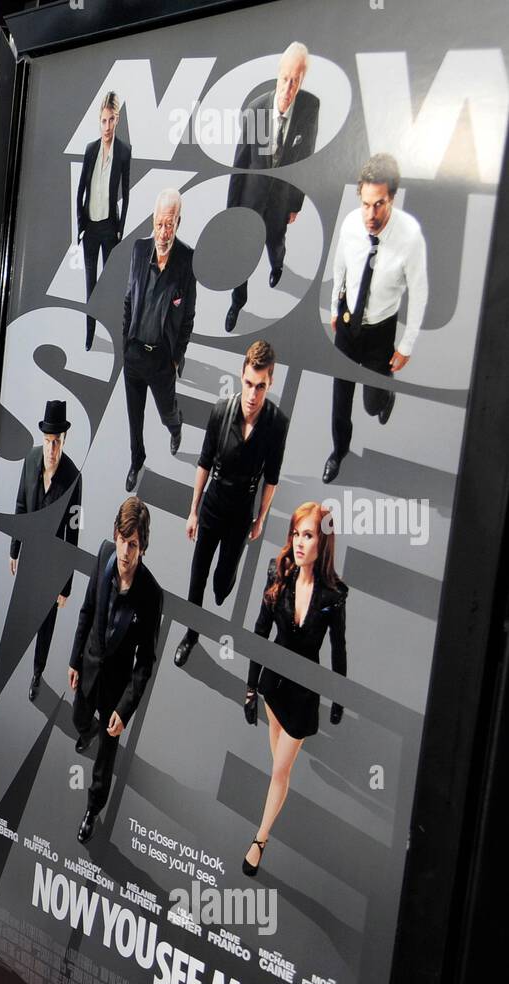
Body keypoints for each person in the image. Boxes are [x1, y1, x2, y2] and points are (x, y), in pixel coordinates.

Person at [243, 502, 348, 875]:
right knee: (279, 767)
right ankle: (276, 802)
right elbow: (259, 631)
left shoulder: (334, 595)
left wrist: (338, 697)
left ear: (323, 543)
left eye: (309, 535)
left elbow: (338, 646)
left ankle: (260, 840)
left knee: (279, 772)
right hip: (273, 683)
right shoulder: (278, 571)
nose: (300, 542)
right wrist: (251, 687)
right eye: (296, 534)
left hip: (304, 694)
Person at [175, 340, 288, 668]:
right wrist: (193, 510)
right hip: (213, 505)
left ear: (271, 383)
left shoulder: (276, 424)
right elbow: (204, 462)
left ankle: (226, 579)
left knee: (222, 583)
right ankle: (190, 635)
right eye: (249, 384)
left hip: (242, 512)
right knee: (198, 574)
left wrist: (261, 518)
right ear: (242, 376)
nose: (253, 395)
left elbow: (273, 478)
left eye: (261, 386)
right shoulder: (222, 411)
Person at [324, 152, 427, 483]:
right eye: (366, 203)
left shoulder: (409, 236)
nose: (371, 213)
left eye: (379, 204)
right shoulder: (351, 224)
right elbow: (340, 264)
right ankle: (339, 451)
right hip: (348, 323)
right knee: (341, 398)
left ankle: (385, 393)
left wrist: (407, 345)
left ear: (392, 198)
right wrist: (333, 306)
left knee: (371, 405)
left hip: (381, 331)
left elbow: (420, 291)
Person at [68, 497, 164, 844]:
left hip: (117, 688)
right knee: (78, 721)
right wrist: (75, 659)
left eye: (133, 544)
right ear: (115, 536)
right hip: (89, 666)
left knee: (105, 761)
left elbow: (146, 662)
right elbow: (87, 609)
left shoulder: (151, 594)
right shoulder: (103, 555)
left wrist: (125, 710)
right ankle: (87, 729)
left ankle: (93, 809)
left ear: (143, 546)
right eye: (123, 541)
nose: (125, 551)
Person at [224, 42, 319, 334]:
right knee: (242, 255)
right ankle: (238, 300)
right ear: (277, 74)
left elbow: (306, 158)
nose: (289, 87)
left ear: (303, 80)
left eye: (296, 80)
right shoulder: (255, 109)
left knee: (276, 241)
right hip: (250, 199)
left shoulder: (310, 106)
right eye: (285, 78)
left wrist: (296, 204)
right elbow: (240, 163)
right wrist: (231, 211)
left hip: (281, 201)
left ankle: (277, 266)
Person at [120, 190, 196, 492]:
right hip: (135, 355)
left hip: (163, 359)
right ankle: (136, 461)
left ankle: (176, 428)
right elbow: (128, 298)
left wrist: (176, 358)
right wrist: (126, 342)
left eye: (170, 225)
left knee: (167, 412)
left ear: (178, 223)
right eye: (159, 224)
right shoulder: (139, 250)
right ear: (153, 221)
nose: (164, 232)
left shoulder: (187, 260)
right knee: (134, 418)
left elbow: (188, 317)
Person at [10, 400, 83, 701]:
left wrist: (66, 585)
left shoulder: (74, 478)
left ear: (64, 440)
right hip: (29, 557)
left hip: (53, 564)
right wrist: (15, 549)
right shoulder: (29, 460)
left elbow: (73, 534)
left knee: (46, 622)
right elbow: (20, 505)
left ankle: (37, 673)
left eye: (57, 442)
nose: (52, 449)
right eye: (48, 441)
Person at [76, 92, 131, 351]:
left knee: (110, 287)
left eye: (111, 120)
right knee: (91, 287)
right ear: (99, 121)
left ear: (117, 120)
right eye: (103, 121)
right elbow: (80, 191)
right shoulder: (90, 150)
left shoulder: (124, 151)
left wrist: (121, 229)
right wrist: (79, 226)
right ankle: (89, 335)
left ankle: (113, 337)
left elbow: (127, 192)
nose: (107, 126)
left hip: (110, 228)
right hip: (90, 229)